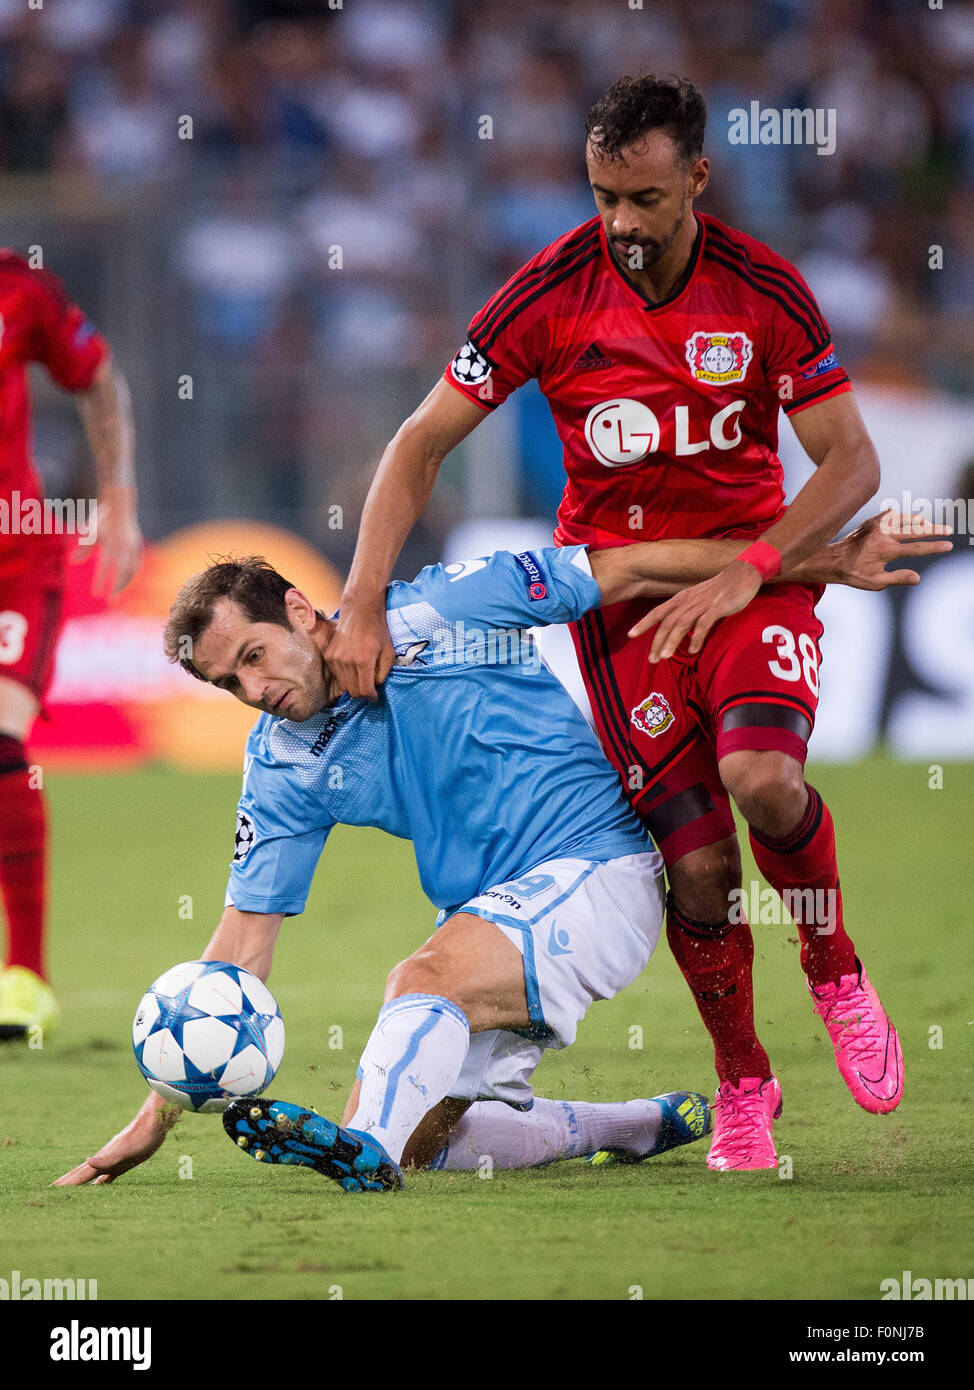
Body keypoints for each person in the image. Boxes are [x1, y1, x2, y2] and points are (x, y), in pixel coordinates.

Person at [323, 73, 923, 1169]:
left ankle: (832, 968)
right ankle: (743, 1081)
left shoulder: (761, 293)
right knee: (694, 865)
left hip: (750, 577)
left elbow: (851, 461)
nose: (620, 225)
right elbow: (418, 442)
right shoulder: (549, 291)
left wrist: (754, 566)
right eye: (602, 196)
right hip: (621, 612)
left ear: (694, 178)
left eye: (642, 199)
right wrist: (362, 597)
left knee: (761, 780)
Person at [52, 515, 941, 1189]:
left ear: (297, 608)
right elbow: (240, 949)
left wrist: (809, 559)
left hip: (598, 869)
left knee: (419, 986)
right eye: (230, 684)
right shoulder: (281, 762)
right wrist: (158, 1113)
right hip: (487, 920)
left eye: (255, 656)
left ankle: (364, 1152)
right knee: (440, 1136)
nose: (258, 691)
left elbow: (624, 566)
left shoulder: (446, 606)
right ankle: (631, 1125)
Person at [0, 252, 141, 1042]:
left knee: (0, 738)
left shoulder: (20, 288)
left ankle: (26, 979)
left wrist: (117, 494)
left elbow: (95, 374)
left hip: (13, 559)